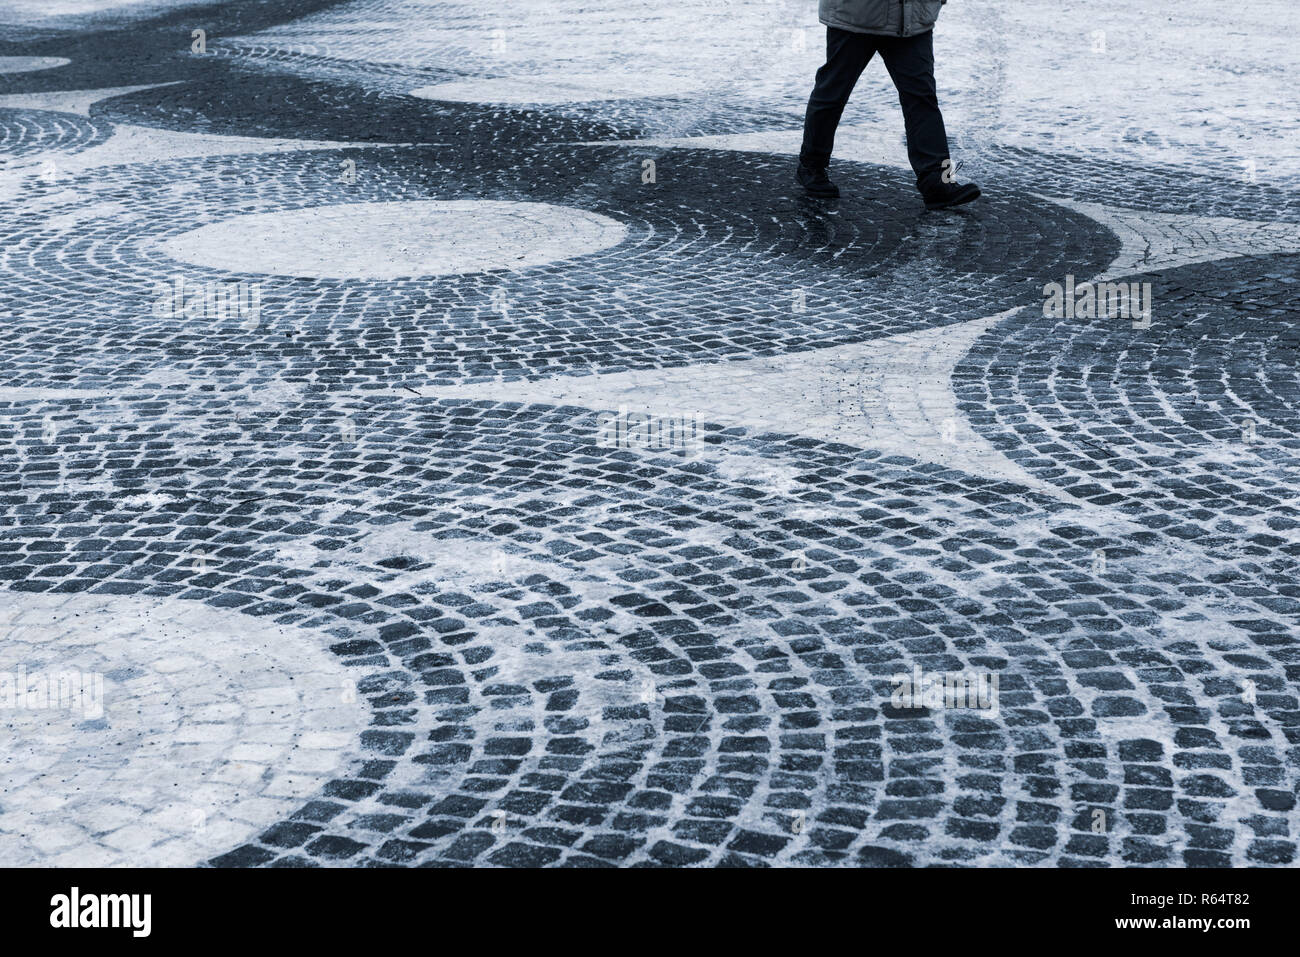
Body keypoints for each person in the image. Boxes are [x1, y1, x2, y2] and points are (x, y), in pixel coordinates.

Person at [797, 0, 980, 209]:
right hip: (857, 15)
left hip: (912, 18)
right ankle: (812, 165)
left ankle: (939, 182)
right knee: (832, 92)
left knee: (923, 98)